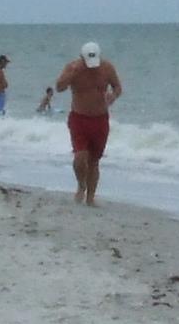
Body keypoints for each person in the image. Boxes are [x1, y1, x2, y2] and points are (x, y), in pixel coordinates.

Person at [38, 42, 124, 205]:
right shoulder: (72, 68)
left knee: (94, 160)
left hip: (100, 119)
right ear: (81, 57)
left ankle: (90, 197)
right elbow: (59, 87)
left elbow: (118, 86)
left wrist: (113, 95)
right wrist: (72, 74)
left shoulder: (106, 68)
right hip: (79, 117)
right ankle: (81, 185)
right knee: (80, 156)